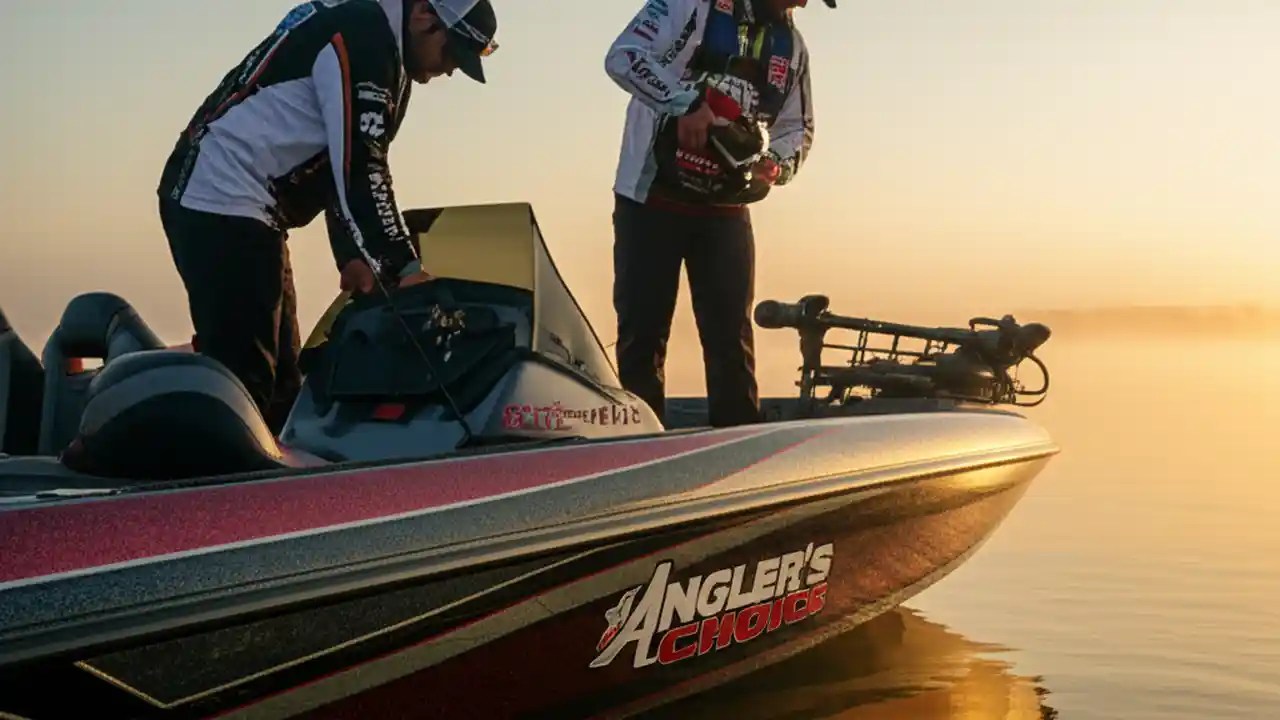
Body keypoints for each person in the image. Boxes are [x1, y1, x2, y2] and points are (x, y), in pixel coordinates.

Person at [156, 0, 499, 432]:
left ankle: (264, 491)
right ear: (424, 15)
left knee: (283, 391)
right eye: (451, 54)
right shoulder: (365, 37)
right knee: (246, 391)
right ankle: (188, 487)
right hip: (218, 197)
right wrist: (404, 268)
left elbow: (342, 164)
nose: (450, 70)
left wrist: (352, 258)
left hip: (248, 208)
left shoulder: (383, 46)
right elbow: (363, 168)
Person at [604, 0, 822, 428]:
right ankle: (635, 453)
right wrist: (684, 103)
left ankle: (739, 456)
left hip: (726, 209)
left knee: (731, 344)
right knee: (642, 339)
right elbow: (623, 56)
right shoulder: (689, 5)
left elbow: (799, 128)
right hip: (649, 199)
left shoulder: (792, 45)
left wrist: (775, 164)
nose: (803, 3)